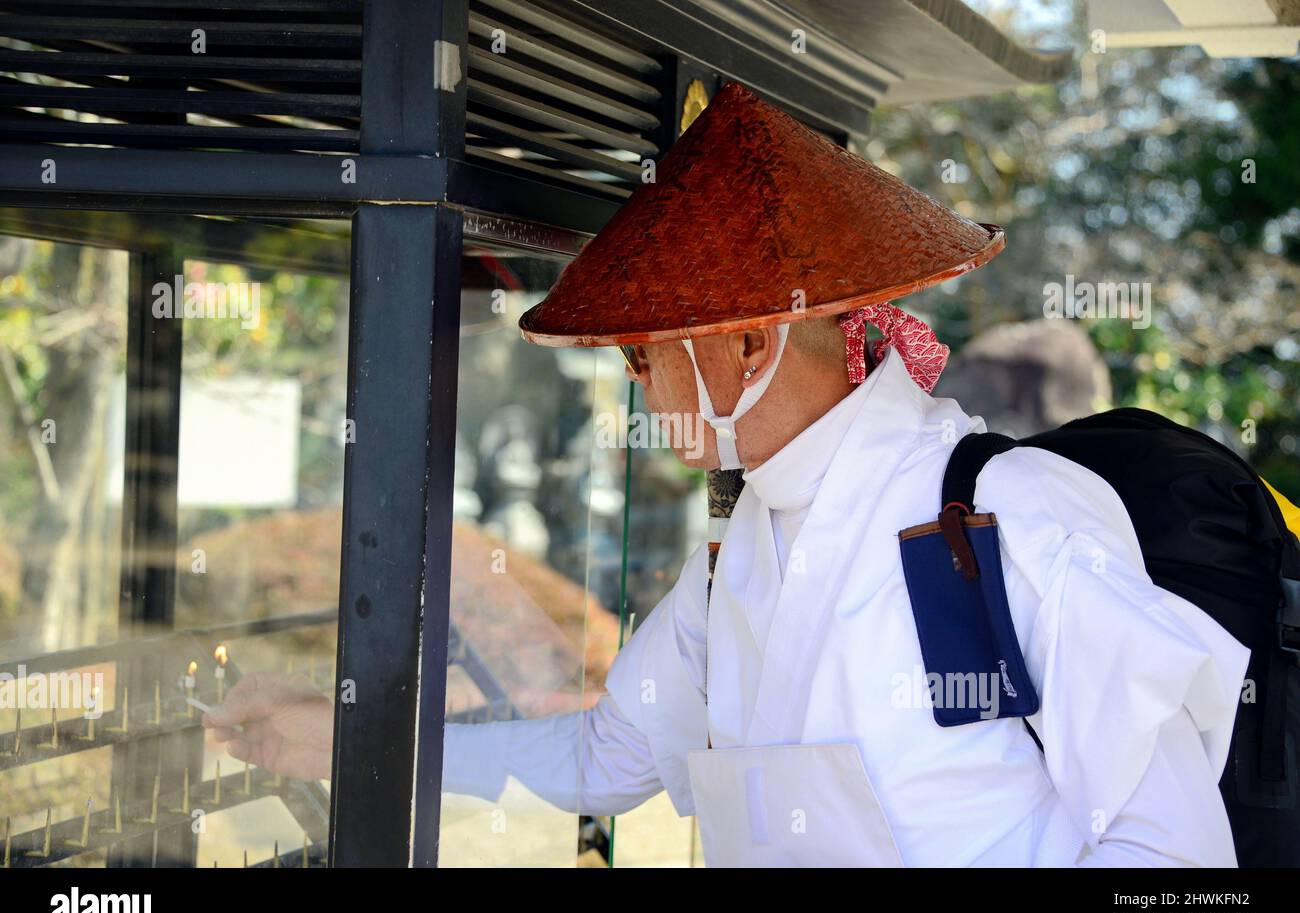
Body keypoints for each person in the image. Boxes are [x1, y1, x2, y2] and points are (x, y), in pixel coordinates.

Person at [206, 83, 1249, 867]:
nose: (635, 380)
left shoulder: (1009, 518)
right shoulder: (738, 558)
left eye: (644, 350)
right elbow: (604, 763)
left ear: (747, 346)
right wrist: (334, 736)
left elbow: (1175, 865)